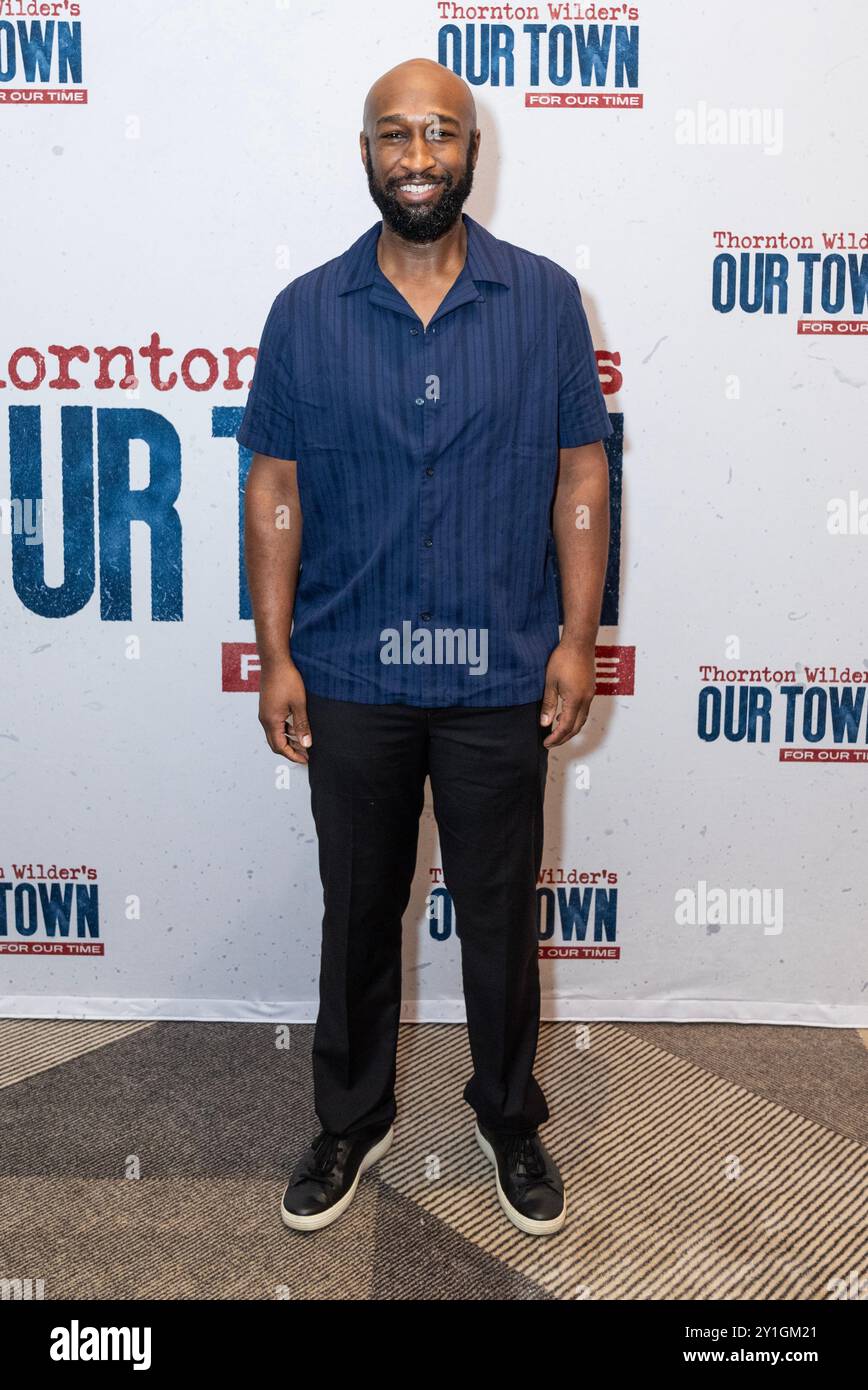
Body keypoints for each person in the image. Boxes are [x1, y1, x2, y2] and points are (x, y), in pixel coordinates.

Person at [237, 56, 612, 1238]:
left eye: (438, 134)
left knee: (499, 914)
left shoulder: (543, 301)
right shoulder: (305, 312)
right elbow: (275, 488)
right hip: (351, 671)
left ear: (471, 151)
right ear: (364, 154)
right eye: (394, 135)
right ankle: (351, 1119)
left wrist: (578, 637)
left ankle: (507, 1114)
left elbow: (581, 475)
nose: (417, 157)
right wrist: (275, 653)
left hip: (501, 671)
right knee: (358, 909)